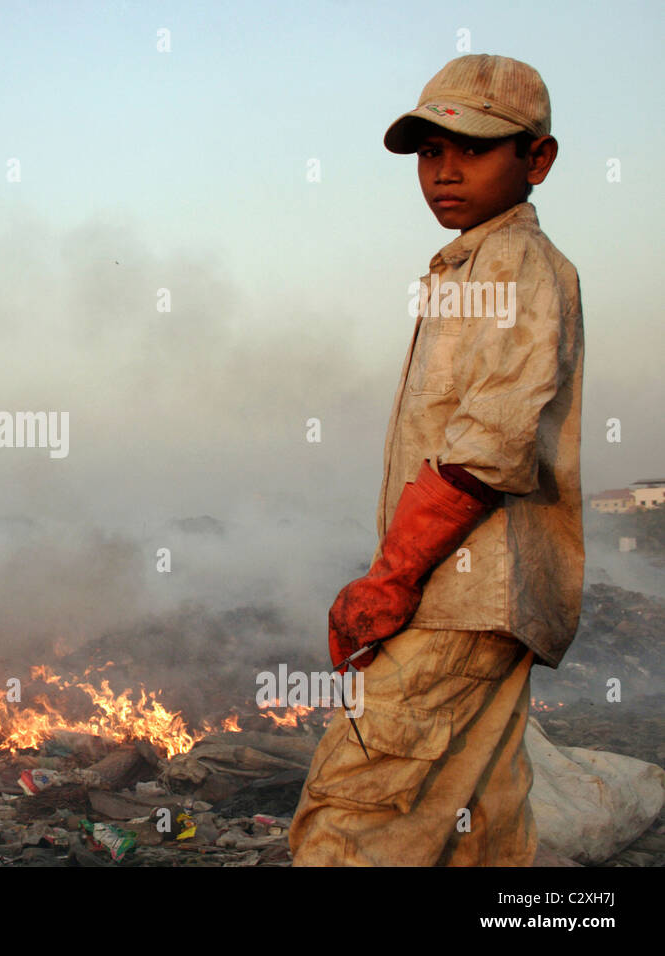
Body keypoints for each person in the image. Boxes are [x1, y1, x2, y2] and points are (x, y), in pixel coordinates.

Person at [289, 54, 585, 866]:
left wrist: (387, 582)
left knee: (352, 808)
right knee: (479, 820)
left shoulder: (516, 266)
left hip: (465, 593)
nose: (445, 172)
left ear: (539, 159)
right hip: (482, 593)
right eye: (428, 153)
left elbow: (488, 448)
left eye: (476, 149)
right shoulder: (468, 265)